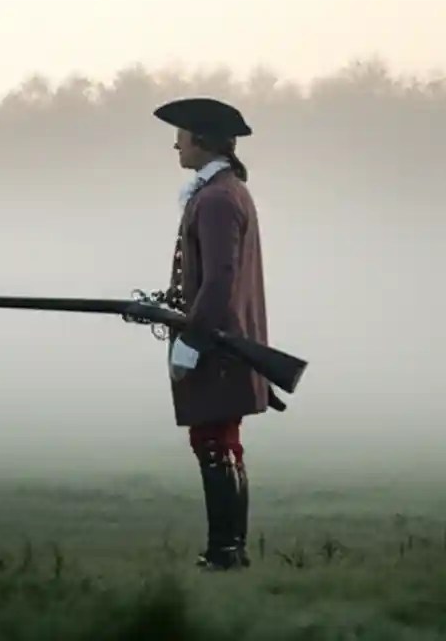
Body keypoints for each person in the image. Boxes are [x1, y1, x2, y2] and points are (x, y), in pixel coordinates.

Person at [154, 98, 269, 571]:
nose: (175, 144)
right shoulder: (222, 192)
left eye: (181, 135)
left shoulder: (218, 198)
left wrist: (193, 340)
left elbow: (220, 279)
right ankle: (229, 548)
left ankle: (226, 550)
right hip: (220, 337)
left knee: (214, 443)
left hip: (217, 342)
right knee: (220, 442)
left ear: (200, 139)